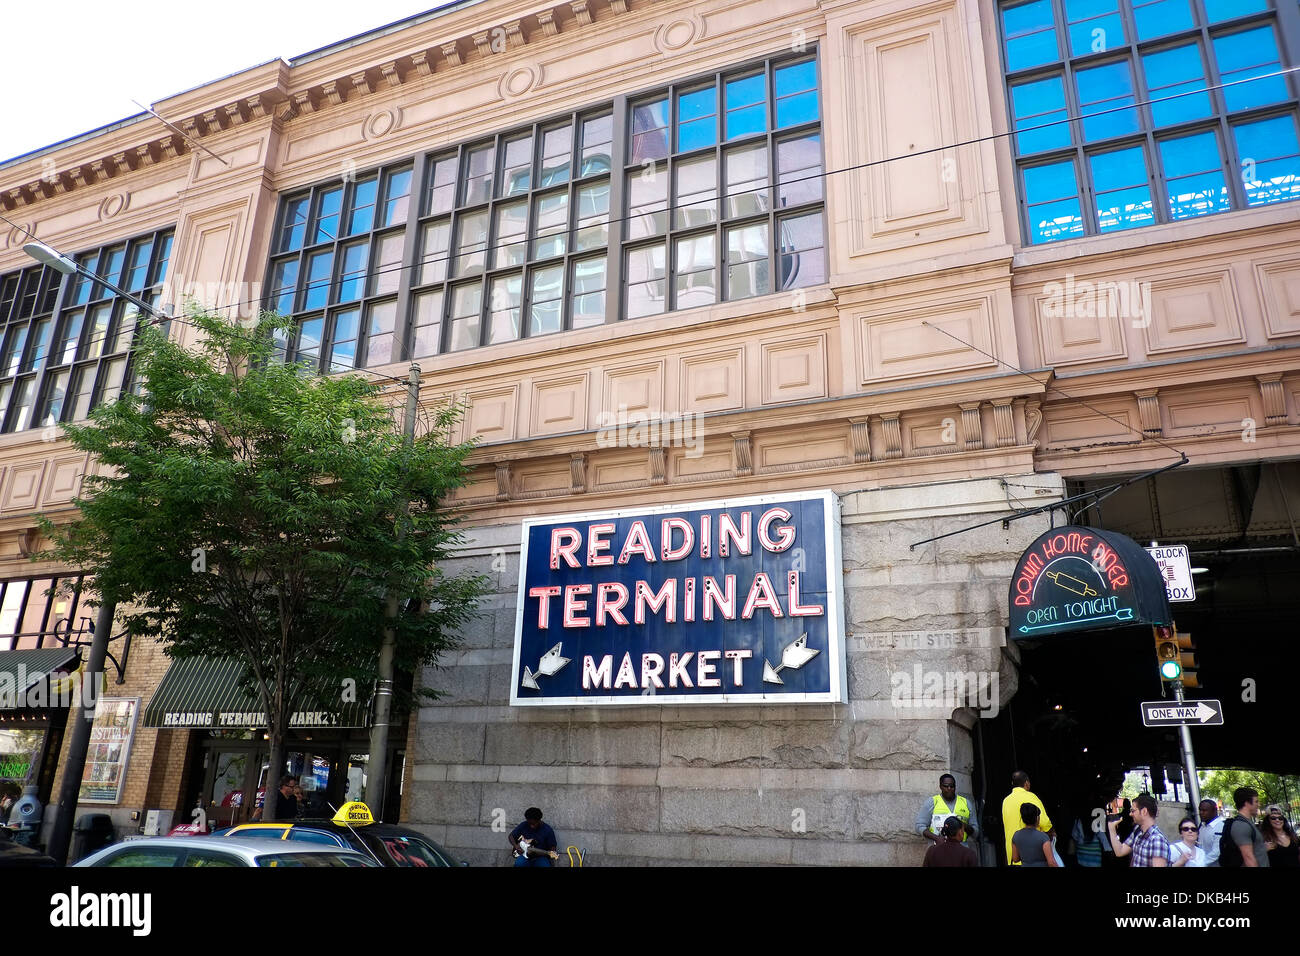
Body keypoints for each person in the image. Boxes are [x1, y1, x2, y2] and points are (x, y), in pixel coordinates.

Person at [1002, 771, 1053, 865]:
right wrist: (1051, 835)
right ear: (1026, 783)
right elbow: (1045, 823)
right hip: (1031, 857)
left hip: (1013, 856)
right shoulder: (1031, 797)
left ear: (1012, 784)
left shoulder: (1006, 801)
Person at [915, 774, 979, 846]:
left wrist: (962, 825)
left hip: (961, 850)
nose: (949, 788)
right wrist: (936, 838)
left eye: (952, 786)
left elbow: (976, 832)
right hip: (938, 848)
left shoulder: (966, 803)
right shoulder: (932, 802)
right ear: (940, 787)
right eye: (946, 786)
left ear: (955, 787)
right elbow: (919, 826)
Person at [1108, 793, 1169, 867]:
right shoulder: (1138, 832)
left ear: (1144, 811)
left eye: (1133, 811)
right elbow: (1120, 851)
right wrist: (1111, 829)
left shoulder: (1157, 840)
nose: (1130, 814)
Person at [1220, 787, 1269, 868]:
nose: (1259, 804)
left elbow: (1254, 850)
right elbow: (1248, 858)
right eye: (1256, 801)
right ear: (1247, 803)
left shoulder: (1247, 823)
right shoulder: (1241, 825)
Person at [1198, 798, 1225, 867]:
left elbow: (1216, 852)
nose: (1201, 813)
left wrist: (1199, 864)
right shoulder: (1202, 826)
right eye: (1200, 810)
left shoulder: (1221, 826)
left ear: (1214, 811)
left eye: (1204, 810)